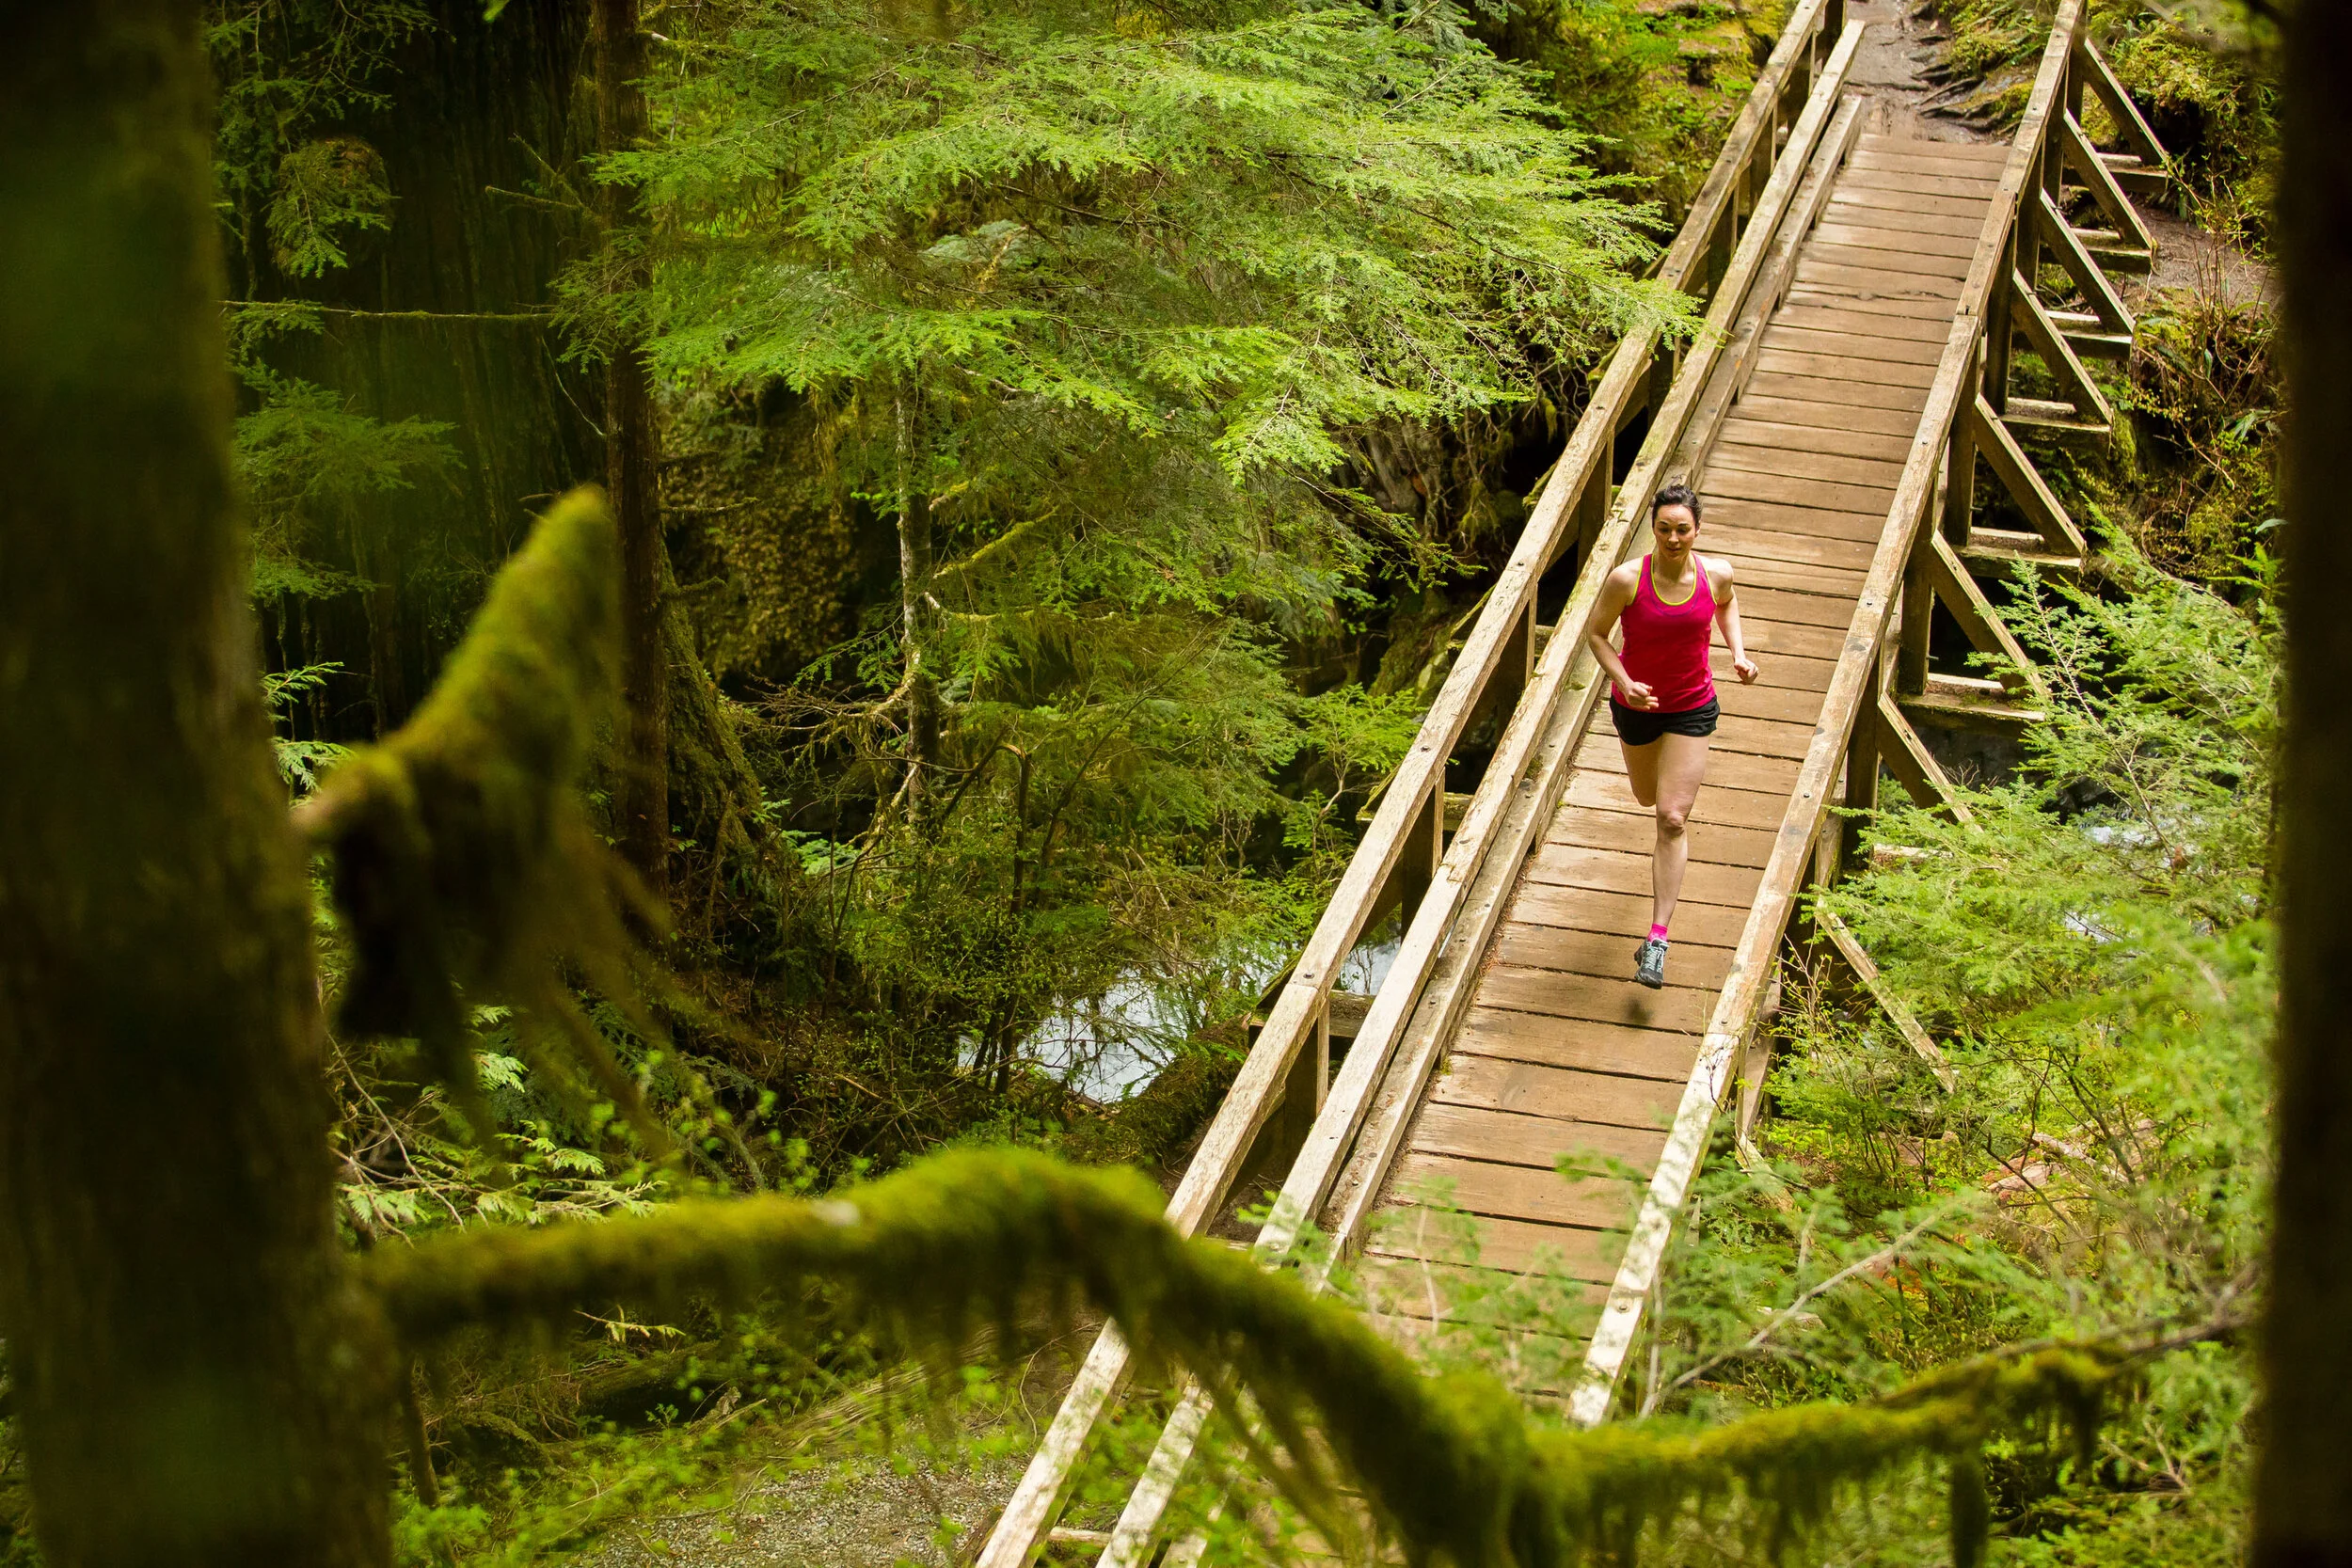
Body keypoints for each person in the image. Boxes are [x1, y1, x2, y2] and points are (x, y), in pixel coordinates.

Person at [1585, 483, 1758, 990]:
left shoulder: (1716, 574)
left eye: (1683, 529)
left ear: (1696, 530)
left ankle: (1657, 939)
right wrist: (1623, 682)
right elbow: (1597, 634)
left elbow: (1727, 604)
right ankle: (1655, 936)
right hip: (1637, 707)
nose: (1674, 538)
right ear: (1653, 530)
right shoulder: (1626, 580)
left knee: (1671, 816)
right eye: (1665, 529)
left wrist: (1737, 653)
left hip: (1692, 706)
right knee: (1645, 797)